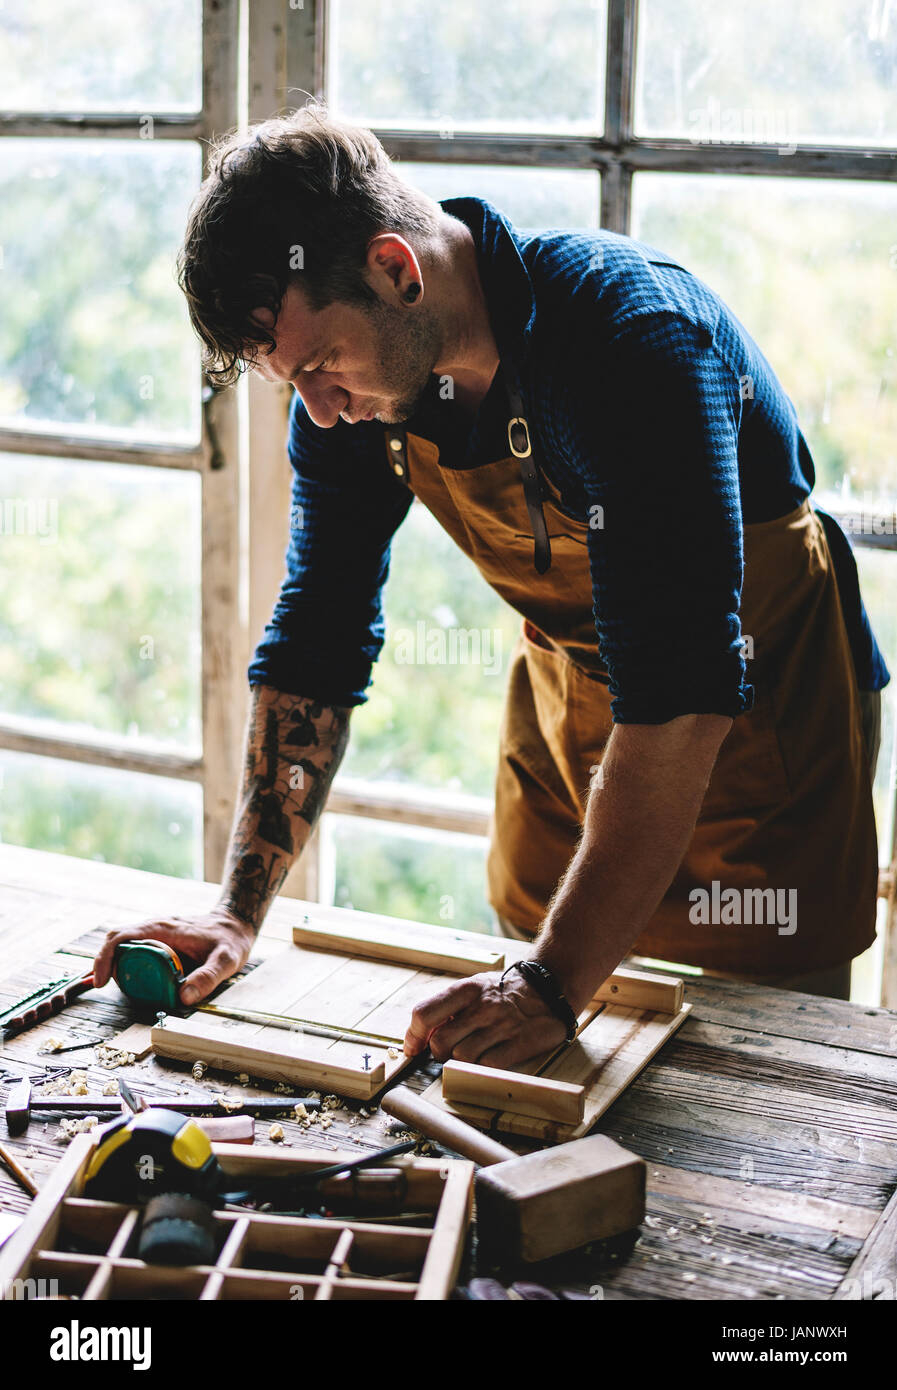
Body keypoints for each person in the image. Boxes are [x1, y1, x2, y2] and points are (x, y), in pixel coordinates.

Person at [94, 104, 887, 1070]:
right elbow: (317, 638)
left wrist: (549, 983)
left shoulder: (633, 342)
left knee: (766, 1074)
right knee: (532, 1063)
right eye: (293, 381)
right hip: (571, 712)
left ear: (396, 269)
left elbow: (681, 697)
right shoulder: (355, 402)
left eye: (323, 365)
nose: (322, 412)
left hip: (758, 730)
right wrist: (236, 912)